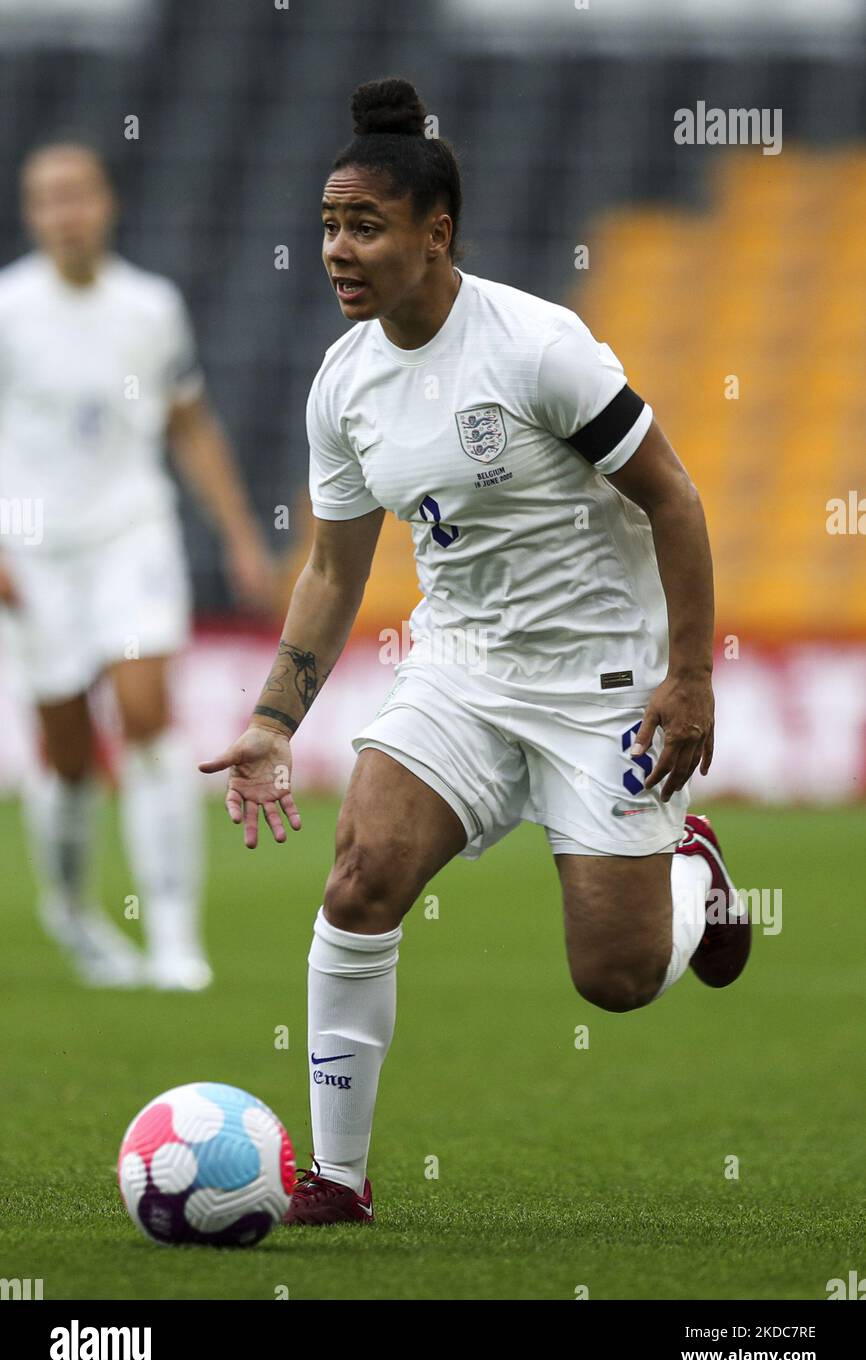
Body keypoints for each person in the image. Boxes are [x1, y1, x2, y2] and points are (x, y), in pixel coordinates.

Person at [200, 78, 751, 1222]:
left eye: (363, 226)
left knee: (612, 979)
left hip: (601, 680)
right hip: (458, 666)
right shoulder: (343, 384)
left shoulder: (539, 346)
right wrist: (269, 720)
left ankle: (691, 874)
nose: (336, 251)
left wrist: (688, 676)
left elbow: (674, 498)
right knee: (357, 882)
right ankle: (337, 1179)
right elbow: (334, 570)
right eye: (325, 226)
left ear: (433, 233)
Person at [0, 138, 274, 989]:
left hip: (131, 533)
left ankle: (171, 935)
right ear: (31, 213)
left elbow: (188, 422)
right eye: (48, 198)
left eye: (79, 194)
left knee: (146, 709)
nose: (66, 212)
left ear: (106, 203)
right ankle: (77, 913)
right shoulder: (7, 307)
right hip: (36, 546)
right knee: (69, 753)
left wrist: (236, 531)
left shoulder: (150, 307)